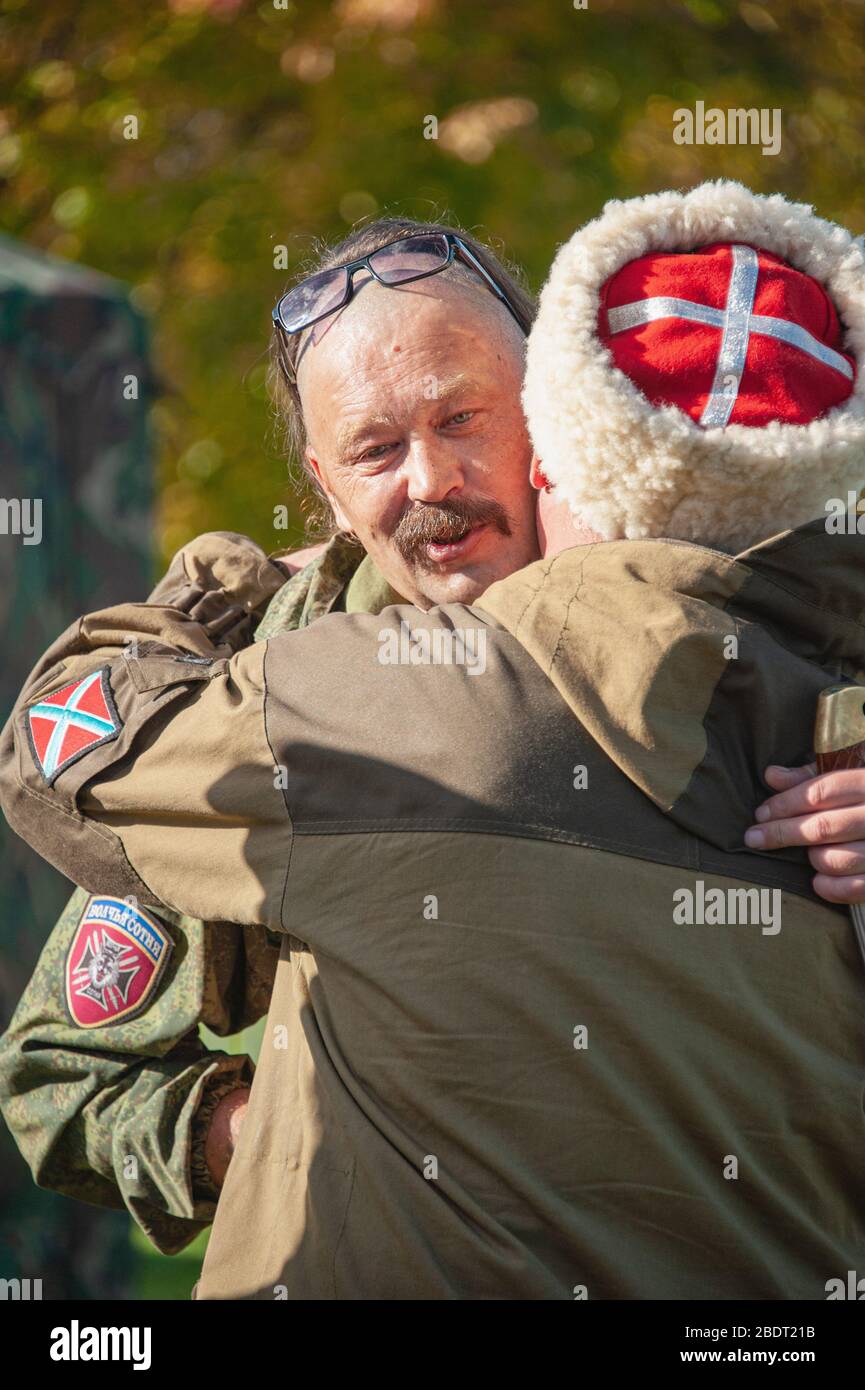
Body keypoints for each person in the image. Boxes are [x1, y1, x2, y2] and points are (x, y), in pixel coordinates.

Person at [4, 181, 865, 1298]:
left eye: (463, 418)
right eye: (373, 447)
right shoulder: (276, 679)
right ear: (324, 483)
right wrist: (298, 1132)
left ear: (553, 412)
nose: (431, 482)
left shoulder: (788, 647)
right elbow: (64, 1078)